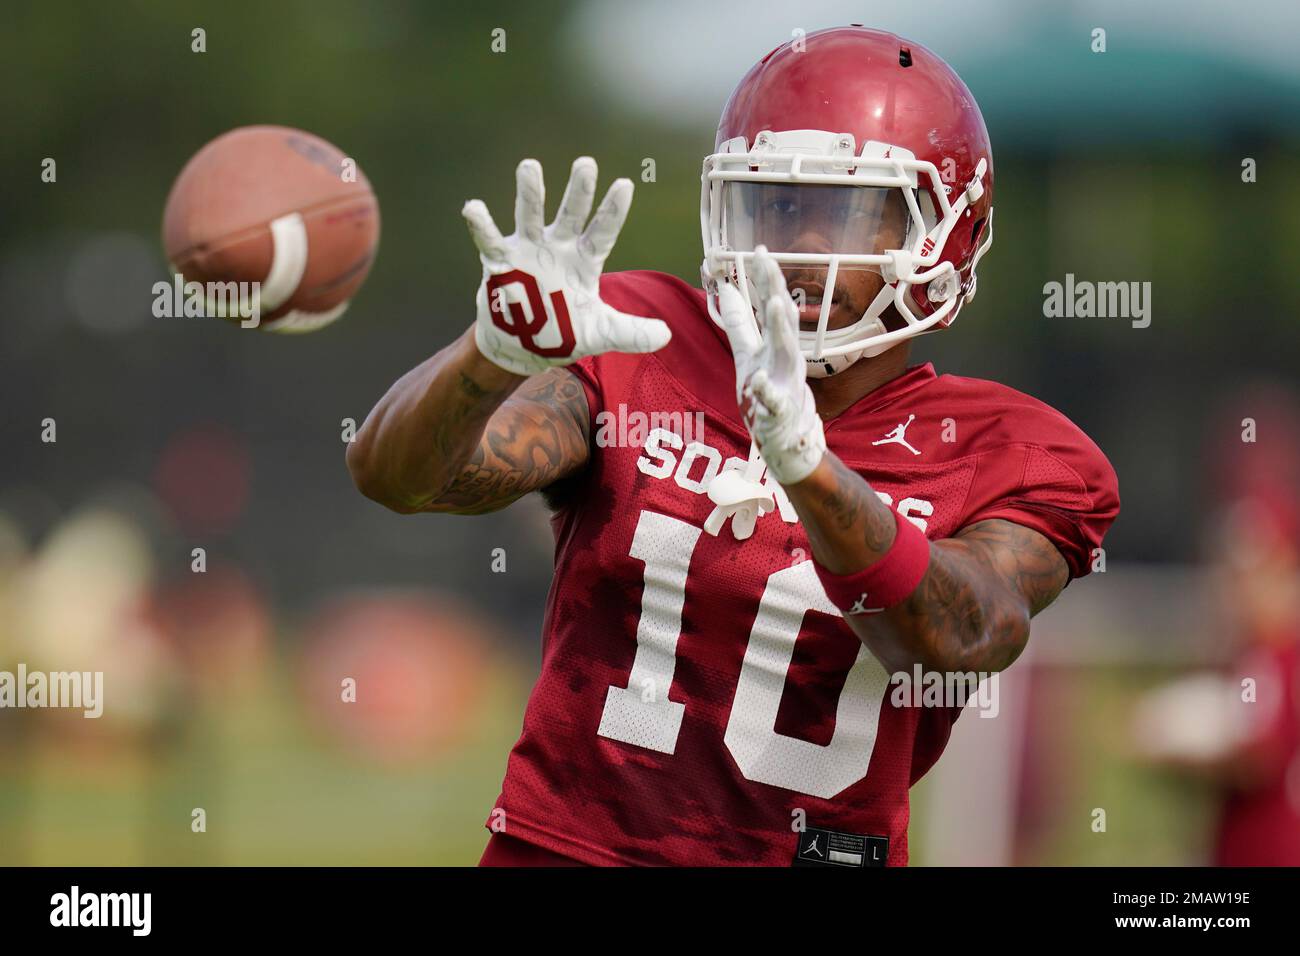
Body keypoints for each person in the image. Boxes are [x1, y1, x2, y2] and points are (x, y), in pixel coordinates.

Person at [347, 26, 1120, 867]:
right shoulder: (642, 340)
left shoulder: (1012, 448)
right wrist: (487, 358)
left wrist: (810, 470)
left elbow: (962, 637)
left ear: (945, 236)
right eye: (776, 206)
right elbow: (398, 478)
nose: (799, 249)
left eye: (845, 213)